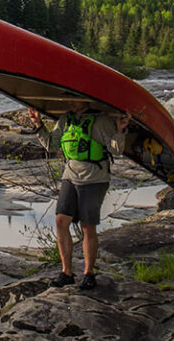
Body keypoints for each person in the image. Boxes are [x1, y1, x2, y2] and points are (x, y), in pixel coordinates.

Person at [29, 101, 136, 290]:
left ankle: (89, 273)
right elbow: (52, 145)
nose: (70, 103)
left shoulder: (101, 120)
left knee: (87, 225)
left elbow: (115, 150)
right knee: (61, 221)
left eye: (74, 100)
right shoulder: (65, 120)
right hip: (70, 176)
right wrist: (38, 125)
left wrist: (120, 131)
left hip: (95, 178)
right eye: (68, 100)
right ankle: (66, 272)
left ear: (85, 101)